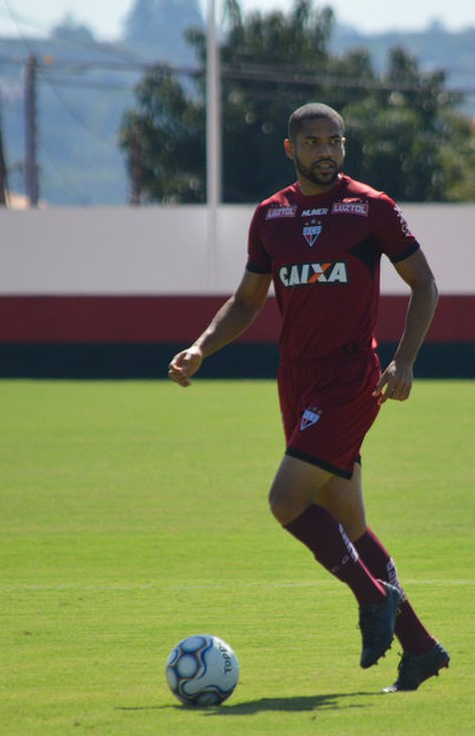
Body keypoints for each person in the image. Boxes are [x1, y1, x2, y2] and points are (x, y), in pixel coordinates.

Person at [167, 102, 449, 692]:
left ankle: (375, 603)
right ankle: (420, 649)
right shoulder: (271, 216)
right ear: (291, 149)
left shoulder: (370, 208)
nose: (327, 150)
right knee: (348, 521)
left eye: (335, 141)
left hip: (350, 378)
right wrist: (200, 348)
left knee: (285, 500)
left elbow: (424, 284)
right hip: (295, 379)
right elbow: (247, 301)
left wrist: (405, 359)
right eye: (314, 141)